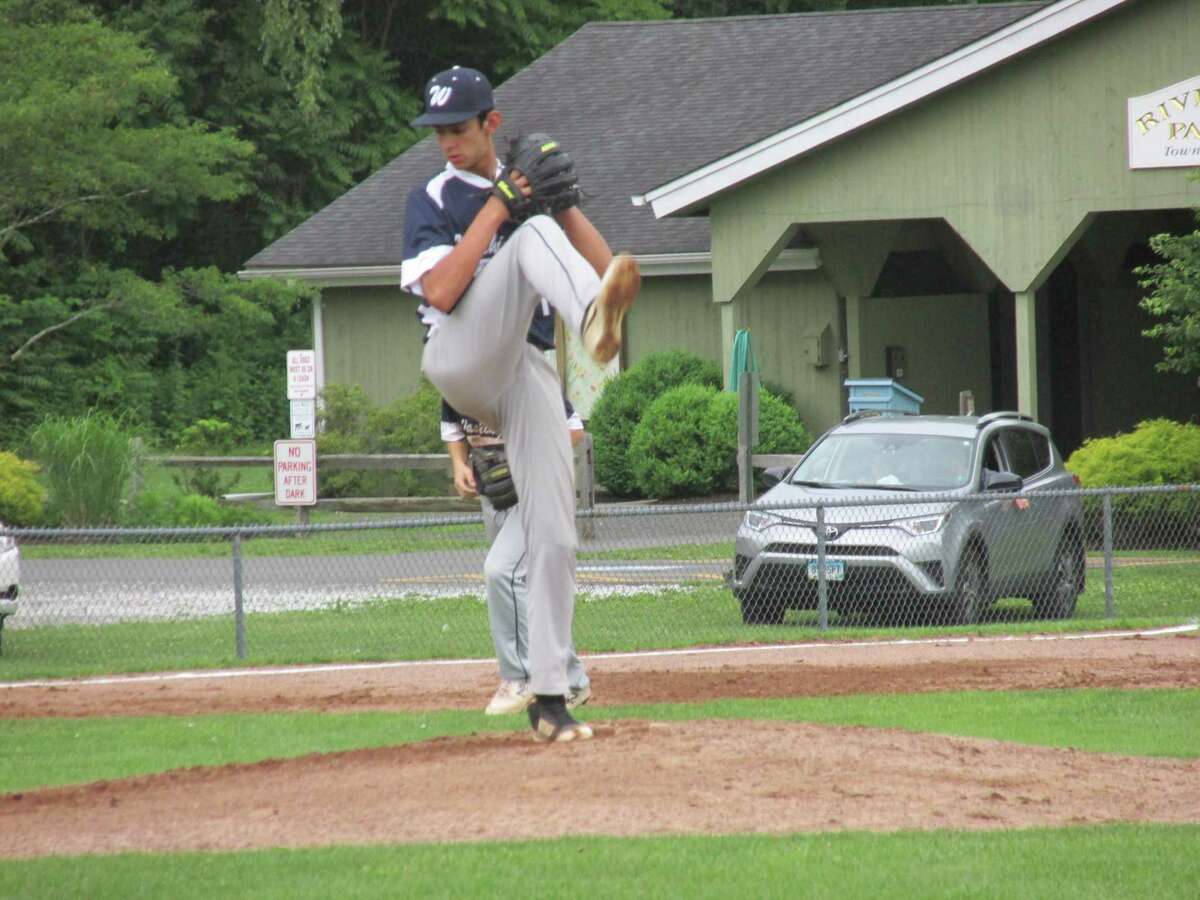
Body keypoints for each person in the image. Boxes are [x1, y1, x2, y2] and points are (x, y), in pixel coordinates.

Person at [401, 65, 639, 742]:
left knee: (555, 537)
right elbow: (441, 294)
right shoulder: (434, 198)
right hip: (459, 356)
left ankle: (549, 698)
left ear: (490, 124)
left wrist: (560, 202)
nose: (446, 141)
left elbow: (609, 268)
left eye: (458, 128)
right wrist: (504, 207)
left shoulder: (528, 196)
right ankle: (590, 324)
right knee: (530, 239)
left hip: (524, 370)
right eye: (438, 130)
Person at [442, 397, 591, 716]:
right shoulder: (456, 381)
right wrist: (459, 464)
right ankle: (573, 680)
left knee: (501, 572)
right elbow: (453, 428)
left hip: (538, 492)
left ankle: (521, 677)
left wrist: (527, 455)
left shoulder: (521, 376)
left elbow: (574, 430)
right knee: (532, 591)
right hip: (493, 497)